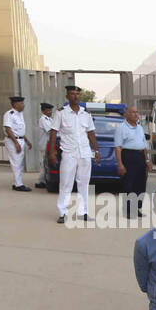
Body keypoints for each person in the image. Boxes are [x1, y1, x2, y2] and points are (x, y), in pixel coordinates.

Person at [50, 84, 99, 224]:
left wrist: (96, 150)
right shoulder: (60, 113)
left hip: (84, 153)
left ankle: (83, 212)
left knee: (84, 183)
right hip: (69, 153)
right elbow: (53, 132)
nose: (75, 96)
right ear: (67, 96)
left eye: (77, 94)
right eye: (72, 94)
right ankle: (63, 212)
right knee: (66, 183)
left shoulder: (86, 114)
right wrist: (52, 152)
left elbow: (91, 133)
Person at [114, 106, 150, 217]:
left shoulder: (139, 128)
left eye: (137, 112)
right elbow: (118, 147)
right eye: (133, 112)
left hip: (140, 157)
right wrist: (120, 164)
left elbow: (144, 145)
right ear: (126, 114)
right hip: (128, 156)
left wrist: (147, 160)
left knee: (140, 184)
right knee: (129, 184)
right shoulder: (121, 128)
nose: (136, 114)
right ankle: (128, 210)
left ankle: (137, 208)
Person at [2, 96, 32, 191]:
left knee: (19, 163)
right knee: (16, 163)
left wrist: (26, 141)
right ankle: (19, 185)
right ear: (15, 104)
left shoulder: (20, 114)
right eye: (21, 103)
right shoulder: (9, 114)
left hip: (20, 140)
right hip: (13, 141)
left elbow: (20, 130)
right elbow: (8, 129)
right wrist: (16, 143)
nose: (23, 105)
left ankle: (16, 183)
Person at [34, 102, 55, 188]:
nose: (50, 112)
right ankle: (39, 182)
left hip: (48, 145)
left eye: (50, 110)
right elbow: (50, 131)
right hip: (44, 145)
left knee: (46, 164)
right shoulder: (43, 119)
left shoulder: (50, 119)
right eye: (48, 110)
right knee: (43, 164)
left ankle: (43, 180)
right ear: (43, 111)